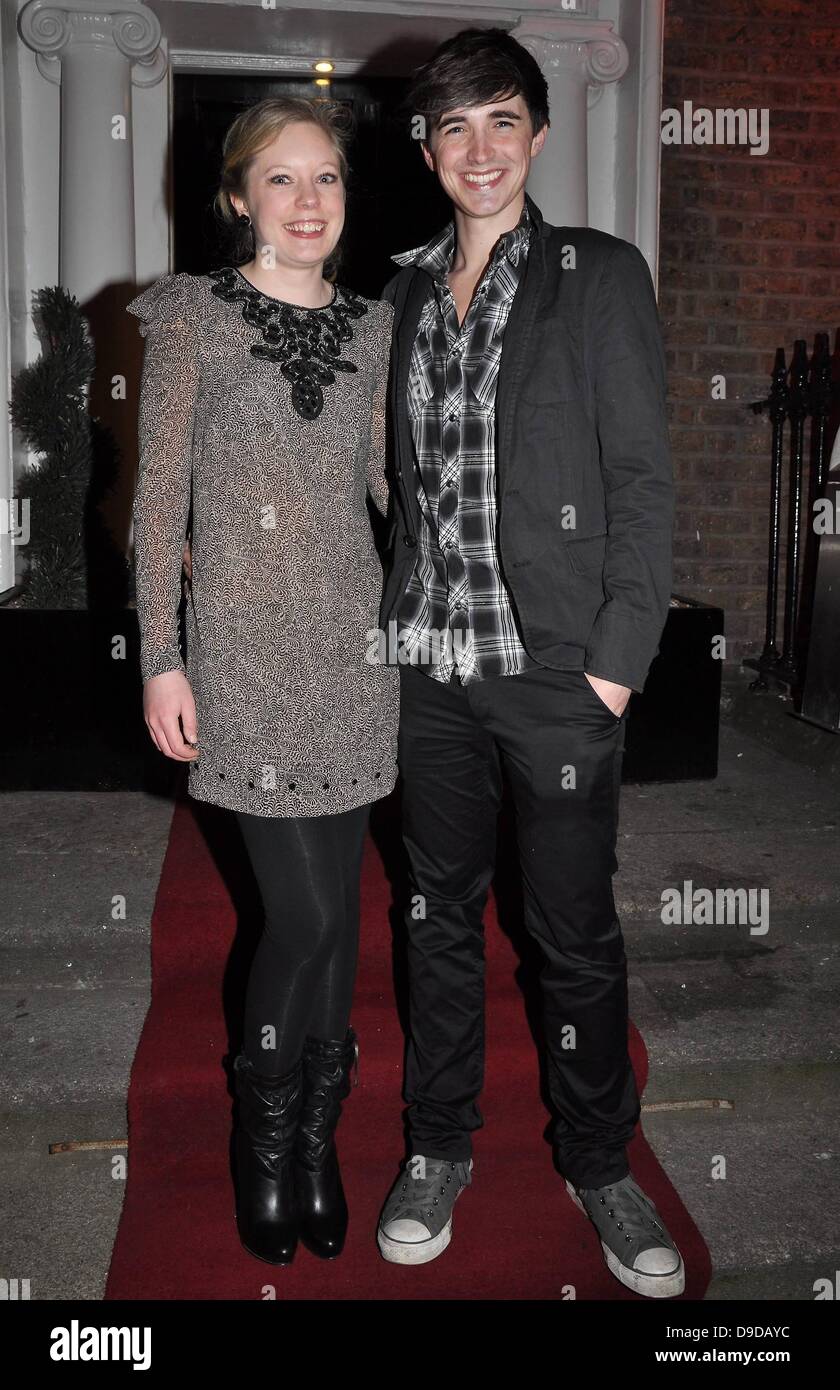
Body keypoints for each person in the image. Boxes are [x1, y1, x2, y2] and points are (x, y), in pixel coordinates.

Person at [374, 29, 684, 1298]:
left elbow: (644, 481)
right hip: (428, 675)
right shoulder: (395, 294)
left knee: (572, 932)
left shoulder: (597, 275)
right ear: (428, 149)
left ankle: (601, 1161)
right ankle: (440, 1145)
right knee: (435, 914)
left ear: (540, 136)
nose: (481, 150)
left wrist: (615, 666)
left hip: (556, 673)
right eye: (454, 127)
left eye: (503, 121)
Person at [127, 96, 399, 1266]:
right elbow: (157, 506)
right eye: (280, 180)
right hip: (241, 650)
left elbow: (400, 494)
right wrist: (162, 654)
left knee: (337, 929)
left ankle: (313, 1142)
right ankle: (263, 1132)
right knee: (312, 914)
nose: (307, 202)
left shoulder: (383, 329)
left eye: (326, 178)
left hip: (358, 651)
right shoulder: (191, 317)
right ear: (238, 196)